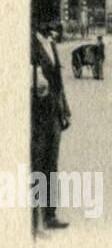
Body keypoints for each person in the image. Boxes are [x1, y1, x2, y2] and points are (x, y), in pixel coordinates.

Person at [31, 19, 71, 234]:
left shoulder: (50, 44)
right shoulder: (29, 44)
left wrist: (65, 109)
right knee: (36, 165)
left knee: (51, 164)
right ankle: (34, 222)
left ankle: (50, 215)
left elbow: (58, 81)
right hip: (37, 115)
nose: (55, 27)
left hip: (54, 113)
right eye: (51, 22)